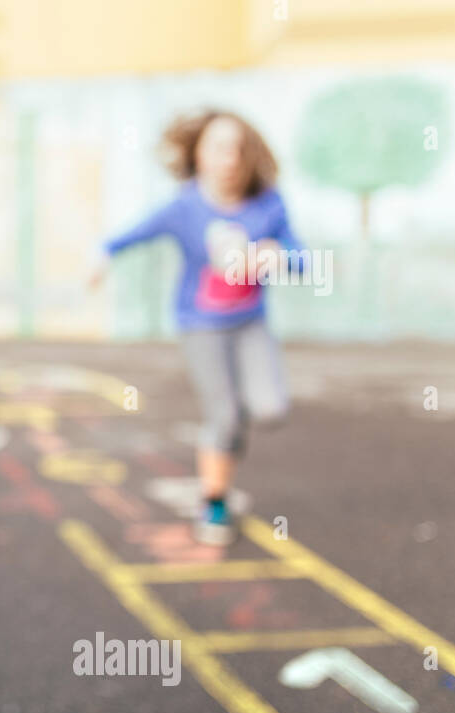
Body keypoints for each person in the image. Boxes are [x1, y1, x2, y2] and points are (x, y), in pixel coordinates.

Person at [87, 110, 305, 544]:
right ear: (200, 155)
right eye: (219, 147)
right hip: (201, 324)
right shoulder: (184, 206)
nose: (230, 158)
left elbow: (303, 259)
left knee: (270, 409)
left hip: (250, 323)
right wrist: (101, 255)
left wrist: (280, 257)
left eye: (239, 148)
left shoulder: (269, 204)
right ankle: (214, 504)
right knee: (222, 415)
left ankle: (227, 432)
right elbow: (132, 235)